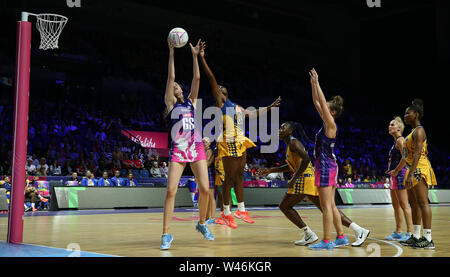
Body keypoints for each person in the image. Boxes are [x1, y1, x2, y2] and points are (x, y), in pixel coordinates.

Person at [199, 40, 281, 228]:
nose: (218, 88)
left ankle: (241, 209)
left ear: (226, 92)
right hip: (228, 141)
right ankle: (226, 213)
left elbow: (252, 114)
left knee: (239, 177)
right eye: (217, 88)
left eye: (221, 88)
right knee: (228, 179)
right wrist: (202, 58)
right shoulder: (220, 102)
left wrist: (269, 107)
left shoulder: (234, 105)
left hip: (240, 140)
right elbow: (211, 78)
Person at [258, 122, 369, 246]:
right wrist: (271, 170)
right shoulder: (290, 144)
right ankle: (358, 230)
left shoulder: (294, 143)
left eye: (283, 127)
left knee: (285, 206)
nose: (279, 130)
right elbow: (292, 166)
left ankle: (309, 234)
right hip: (308, 178)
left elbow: (306, 159)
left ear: (290, 131)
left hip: (305, 179)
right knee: (326, 209)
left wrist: (294, 178)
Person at [160, 38, 213, 250]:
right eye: (171, 86)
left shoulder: (191, 101)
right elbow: (170, 76)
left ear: (181, 88)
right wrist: (172, 52)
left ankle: (202, 224)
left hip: (197, 147)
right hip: (179, 150)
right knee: (171, 191)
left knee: (206, 190)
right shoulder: (170, 103)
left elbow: (197, 78)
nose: (174, 86)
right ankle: (165, 234)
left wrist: (194, 56)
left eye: (176, 85)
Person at [307, 68, 349, 250]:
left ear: (331, 112)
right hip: (328, 165)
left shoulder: (331, 124)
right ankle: (341, 237)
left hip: (325, 166)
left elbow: (321, 103)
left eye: (326, 109)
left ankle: (326, 241)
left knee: (325, 206)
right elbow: (317, 101)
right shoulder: (327, 122)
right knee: (331, 205)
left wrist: (317, 82)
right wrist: (312, 84)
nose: (322, 109)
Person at [391, 99, 437, 249]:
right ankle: (416, 236)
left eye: (407, 113)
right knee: (414, 204)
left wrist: (410, 173)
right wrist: (398, 170)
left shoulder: (419, 130)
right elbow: (407, 156)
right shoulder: (412, 132)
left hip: (419, 169)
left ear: (416, 114)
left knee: (423, 203)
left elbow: (417, 153)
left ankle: (428, 239)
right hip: (412, 169)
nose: (405, 116)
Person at [384, 117, 414, 242]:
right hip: (394, 176)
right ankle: (398, 231)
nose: (389, 126)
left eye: (392, 124)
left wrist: (396, 170)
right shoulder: (396, 141)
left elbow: (406, 158)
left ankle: (410, 232)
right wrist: (392, 171)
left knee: (404, 205)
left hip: (400, 174)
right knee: (396, 206)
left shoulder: (401, 140)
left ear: (398, 128)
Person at [202, 137, 217, 225]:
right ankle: (207, 217)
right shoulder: (203, 151)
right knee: (206, 197)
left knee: (211, 197)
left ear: (209, 143)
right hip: (204, 173)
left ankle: (212, 217)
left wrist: (199, 168)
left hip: (209, 174)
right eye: (203, 142)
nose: (204, 143)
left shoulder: (209, 151)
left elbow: (207, 164)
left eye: (206, 142)